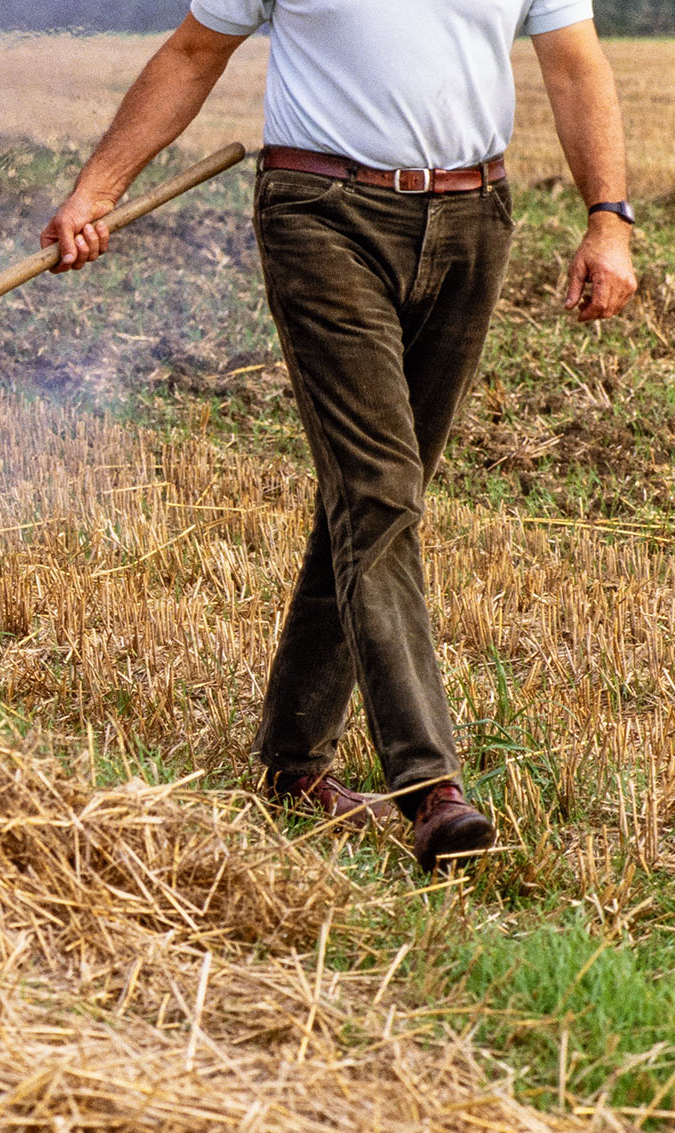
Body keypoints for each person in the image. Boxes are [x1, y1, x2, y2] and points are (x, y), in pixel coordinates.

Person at [42, 1, 638, 871]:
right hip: (322, 212)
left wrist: (608, 218)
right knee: (379, 493)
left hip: (474, 219)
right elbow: (195, 50)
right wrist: (95, 194)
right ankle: (430, 785)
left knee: (373, 503)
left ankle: (293, 762)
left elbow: (576, 64)